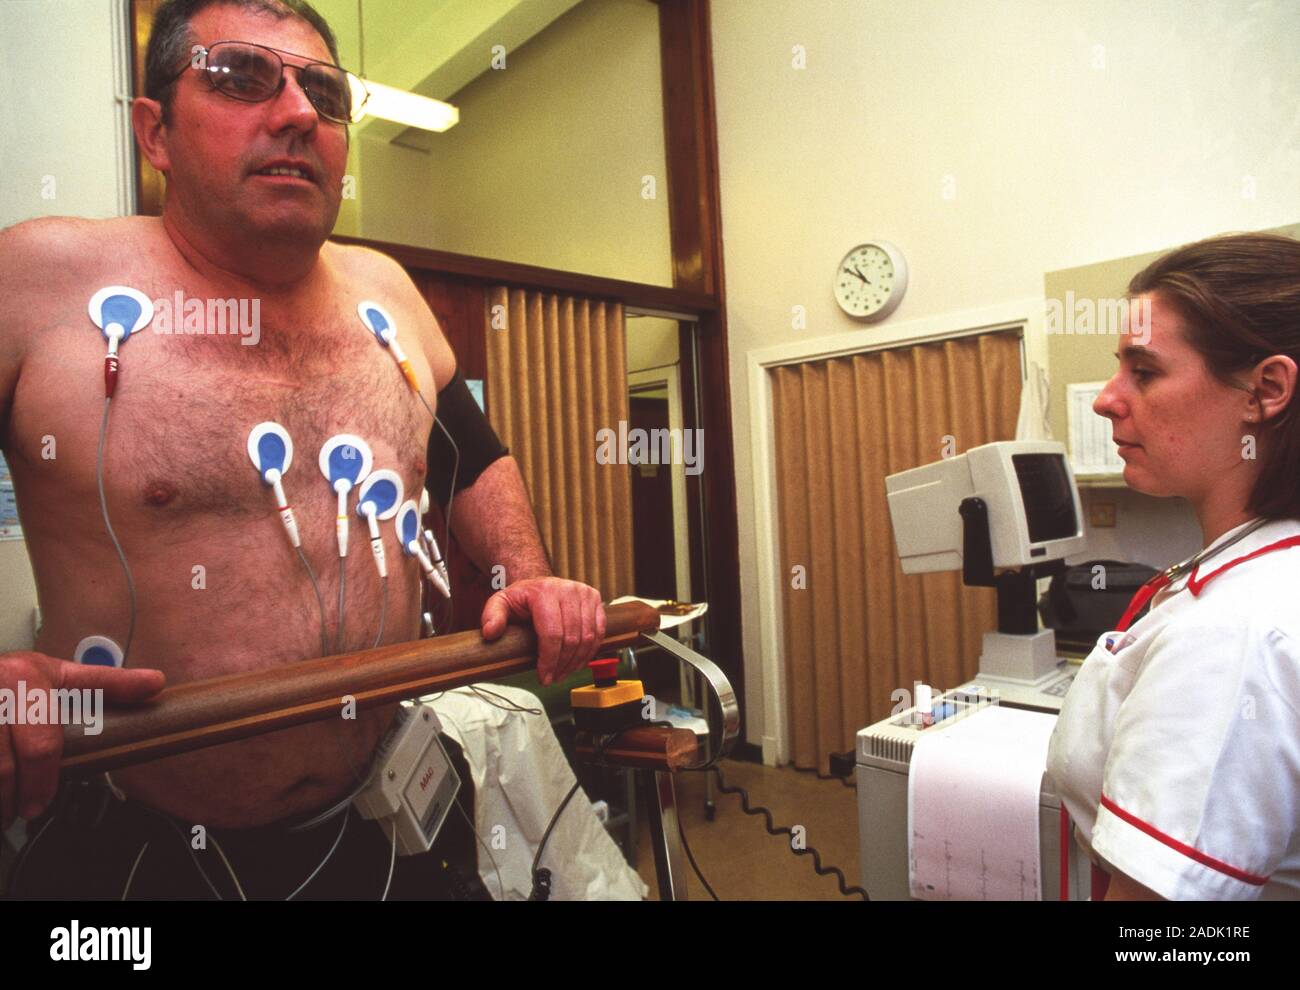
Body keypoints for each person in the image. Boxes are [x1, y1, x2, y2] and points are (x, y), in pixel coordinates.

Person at [0, 0, 606, 897]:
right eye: (241, 77)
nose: (295, 114)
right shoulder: (40, 285)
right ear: (154, 130)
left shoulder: (385, 292)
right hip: (133, 840)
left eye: (323, 93)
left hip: (387, 814)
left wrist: (523, 568)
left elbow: (466, 458)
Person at [1047, 232, 1300, 901]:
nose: (1106, 398)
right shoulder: (1262, 567)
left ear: (1264, 390)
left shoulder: (1233, 636)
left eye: (1145, 371)